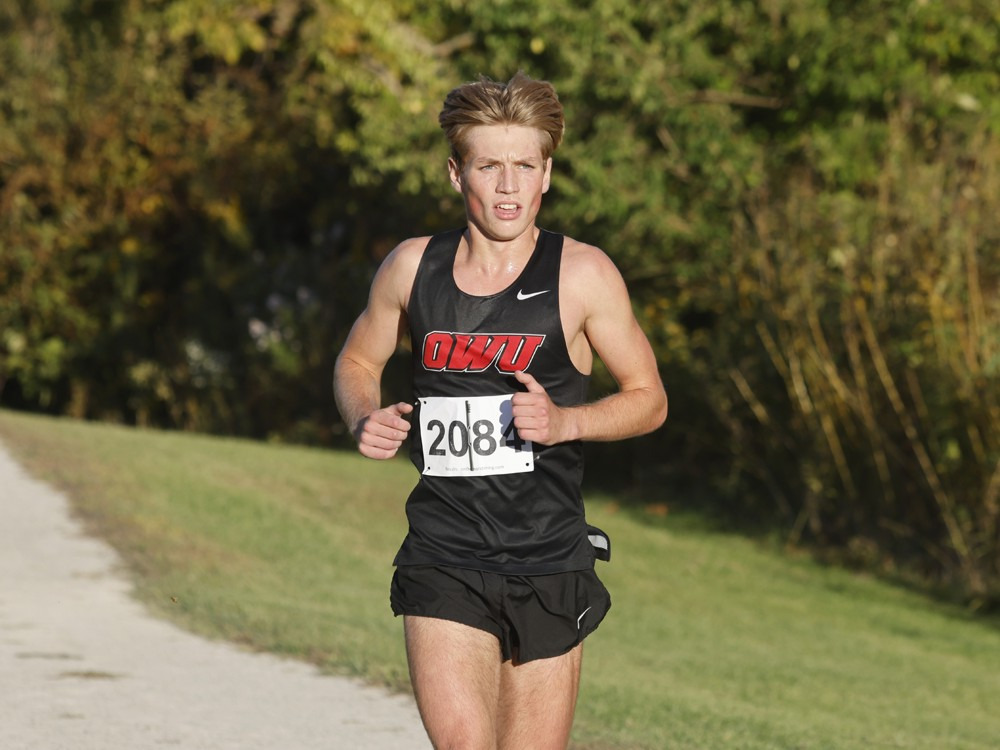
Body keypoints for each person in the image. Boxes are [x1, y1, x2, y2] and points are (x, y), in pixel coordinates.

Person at [333, 71, 667, 750]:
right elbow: (356, 362)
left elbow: (650, 399)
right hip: (443, 550)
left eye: (524, 166)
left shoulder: (582, 275)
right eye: (490, 165)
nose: (508, 186)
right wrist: (363, 417)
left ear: (547, 173)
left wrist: (569, 422)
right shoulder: (410, 269)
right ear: (457, 175)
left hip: (548, 557)